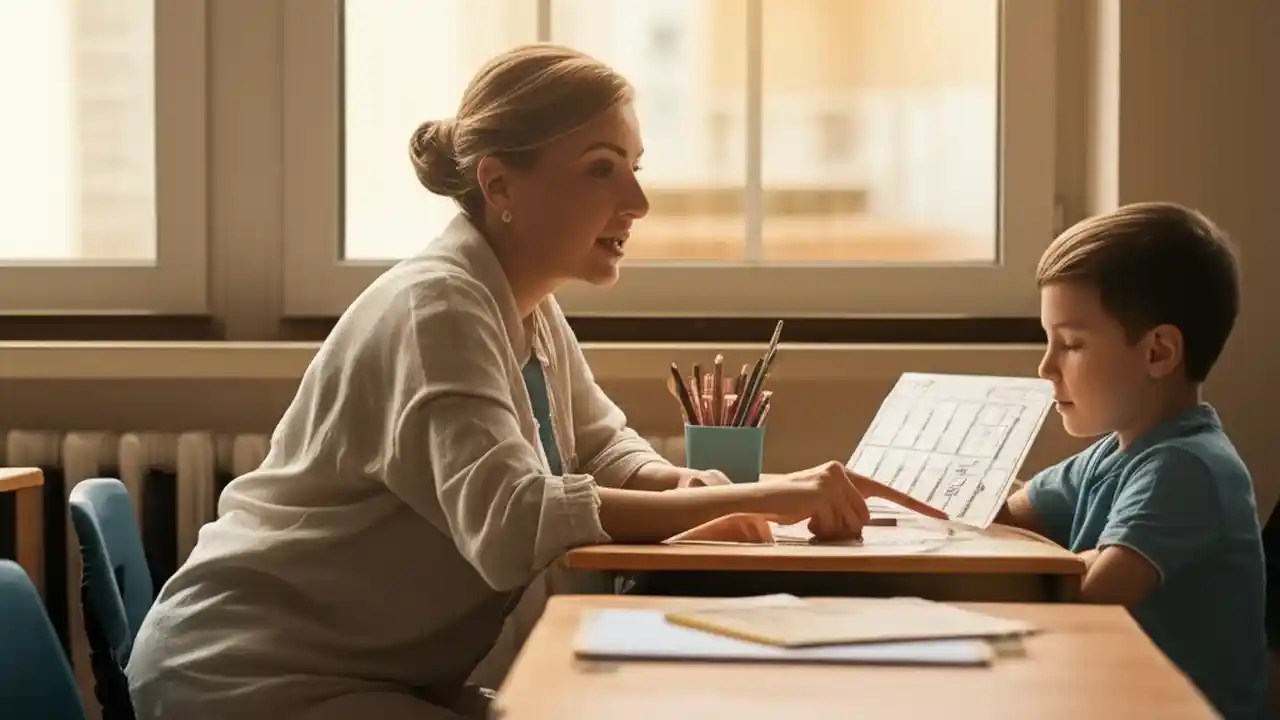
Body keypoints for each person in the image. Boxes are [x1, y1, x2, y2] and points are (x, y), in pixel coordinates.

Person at [125, 44, 942, 719]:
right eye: (601, 170)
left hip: (368, 676)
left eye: (635, 166)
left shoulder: (522, 302)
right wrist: (757, 498)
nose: (639, 200)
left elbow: (606, 451)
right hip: (246, 682)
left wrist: (690, 482)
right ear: (500, 185)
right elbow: (513, 522)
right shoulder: (438, 306)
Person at [996, 202, 1265, 718]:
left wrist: (1088, 563)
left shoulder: (1187, 466)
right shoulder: (1114, 452)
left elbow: (1094, 599)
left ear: (1159, 353)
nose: (1045, 366)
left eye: (1071, 343)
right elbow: (1007, 512)